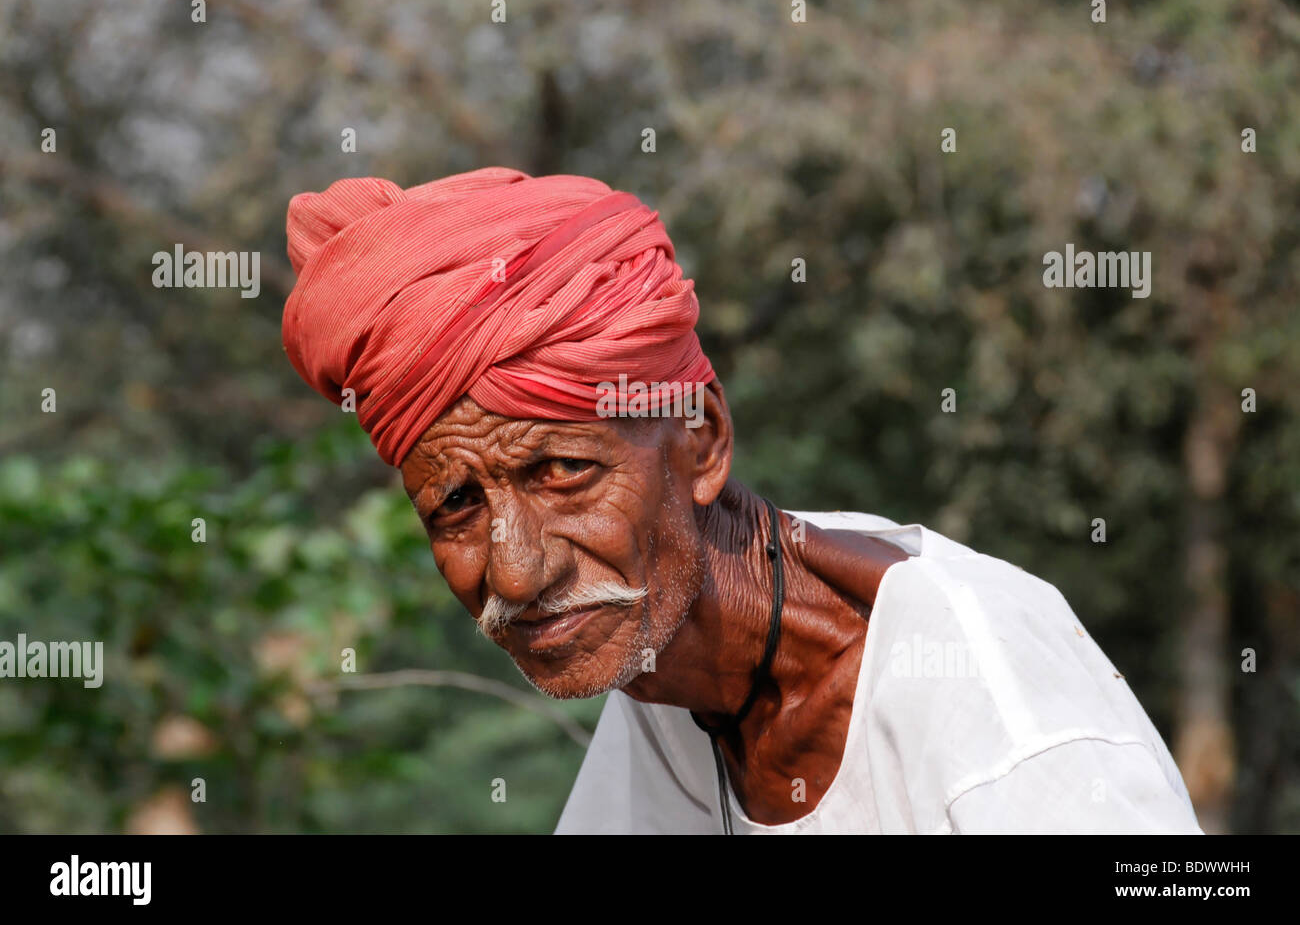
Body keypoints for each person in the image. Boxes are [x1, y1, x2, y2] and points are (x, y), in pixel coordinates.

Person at [281, 167, 1203, 834]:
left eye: (564, 472)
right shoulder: (659, 675)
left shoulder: (982, 690)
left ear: (703, 440)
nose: (515, 570)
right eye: (455, 508)